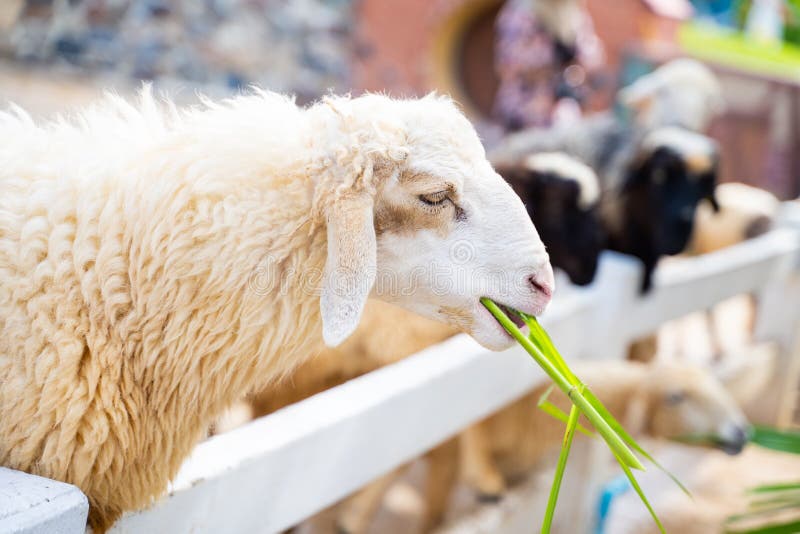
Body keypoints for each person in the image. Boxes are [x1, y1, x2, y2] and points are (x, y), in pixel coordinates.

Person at [493, 0, 605, 131]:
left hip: (564, 112)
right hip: (526, 112)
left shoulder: (574, 15)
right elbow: (508, 67)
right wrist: (555, 71)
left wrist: (578, 70)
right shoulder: (521, 14)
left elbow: (591, 57)